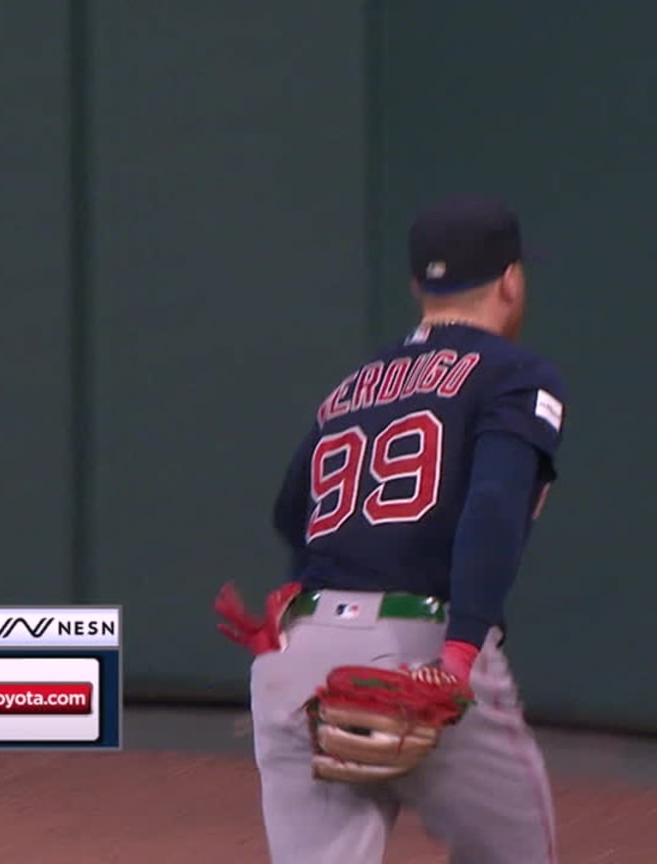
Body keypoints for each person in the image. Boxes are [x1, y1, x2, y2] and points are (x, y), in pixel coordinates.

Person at [223, 194, 566, 863]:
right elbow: (492, 506)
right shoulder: (514, 375)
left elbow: (292, 510)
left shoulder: (353, 387)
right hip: (422, 648)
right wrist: (460, 656)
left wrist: (304, 611)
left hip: (299, 658)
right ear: (511, 280)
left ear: (419, 287)